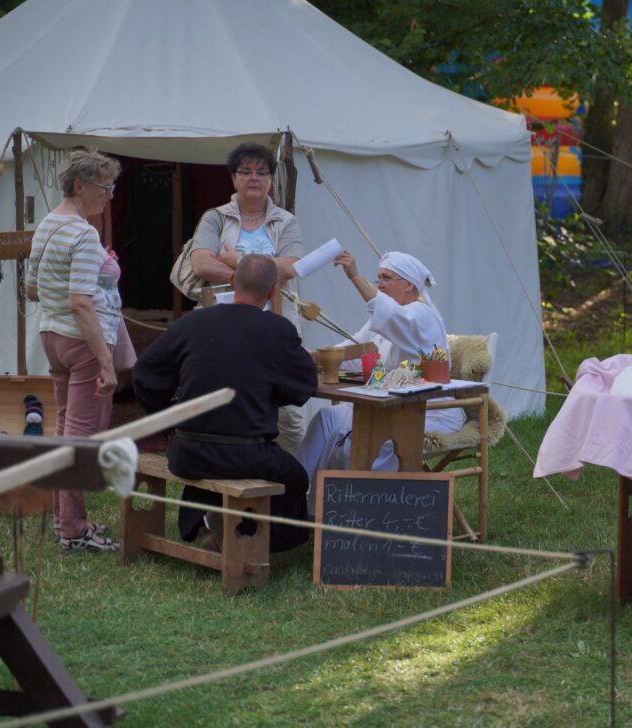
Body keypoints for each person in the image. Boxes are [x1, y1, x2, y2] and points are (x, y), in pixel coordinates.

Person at [133, 254, 316, 552]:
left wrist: (168, 424)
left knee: (217, 464)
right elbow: (303, 388)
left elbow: (145, 374)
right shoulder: (278, 330)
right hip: (247, 453)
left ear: (231, 281)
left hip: (188, 451)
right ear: (272, 291)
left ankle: (207, 522)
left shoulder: (194, 321)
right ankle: (247, 538)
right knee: (294, 476)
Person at [296, 250, 465, 513]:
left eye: (386, 278)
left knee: (359, 439)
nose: (381, 285)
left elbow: (390, 316)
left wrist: (354, 276)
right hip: (387, 404)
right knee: (326, 419)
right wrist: (313, 357)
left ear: (409, 284)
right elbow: (353, 351)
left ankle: (355, 514)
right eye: (378, 279)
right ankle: (293, 495)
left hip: (428, 410)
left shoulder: (421, 316)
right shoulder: (390, 317)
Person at [25, 149, 122, 554]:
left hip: (53, 337)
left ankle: (63, 519)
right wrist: (105, 361)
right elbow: (80, 302)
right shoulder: (83, 233)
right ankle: (74, 530)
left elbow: (31, 288)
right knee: (79, 438)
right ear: (80, 186)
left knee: (65, 430)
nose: (109, 196)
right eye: (104, 187)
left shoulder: (49, 223)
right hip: (80, 343)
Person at [189, 142, 307, 456]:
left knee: (287, 412)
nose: (253, 178)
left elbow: (291, 267)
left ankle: (292, 484)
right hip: (224, 325)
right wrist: (254, 273)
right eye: (245, 172)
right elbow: (200, 263)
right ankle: (228, 479)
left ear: (270, 179)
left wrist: (234, 261)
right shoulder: (215, 218)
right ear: (233, 179)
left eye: (261, 172)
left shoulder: (285, 221)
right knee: (228, 401)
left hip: (276, 323)